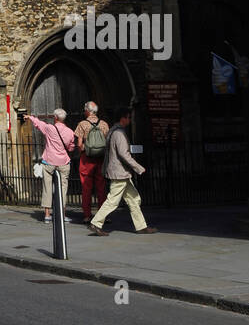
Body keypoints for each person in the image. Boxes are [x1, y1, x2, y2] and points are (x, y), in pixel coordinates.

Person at [88, 108, 157, 236]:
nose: (130, 120)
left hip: (121, 172)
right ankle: (96, 223)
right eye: (128, 117)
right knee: (113, 201)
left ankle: (141, 226)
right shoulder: (119, 133)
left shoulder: (112, 131)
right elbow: (124, 154)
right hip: (119, 172)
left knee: (134, 199)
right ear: (123, 118)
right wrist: (138, 167)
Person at [27, 108, 75, 224]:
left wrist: (31, 117)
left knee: (47, 187)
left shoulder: (49, 129)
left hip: (49, 162)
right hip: (63, 162)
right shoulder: (69, 131)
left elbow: (40, 124)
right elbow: (71, 147)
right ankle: (62, 214)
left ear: (55, 118)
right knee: (63, 189)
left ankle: (47, 215)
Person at [74, 100, 110, 224]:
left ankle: (87, 215)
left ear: (88, 111)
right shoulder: (104, 124)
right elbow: (107, 142)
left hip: (87, 159)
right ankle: (103, 215)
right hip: (101, 159)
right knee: (101, 187)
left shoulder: (82, 124)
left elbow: (79, 144)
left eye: (85, 109)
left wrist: (84, 151)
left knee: (86, 187)